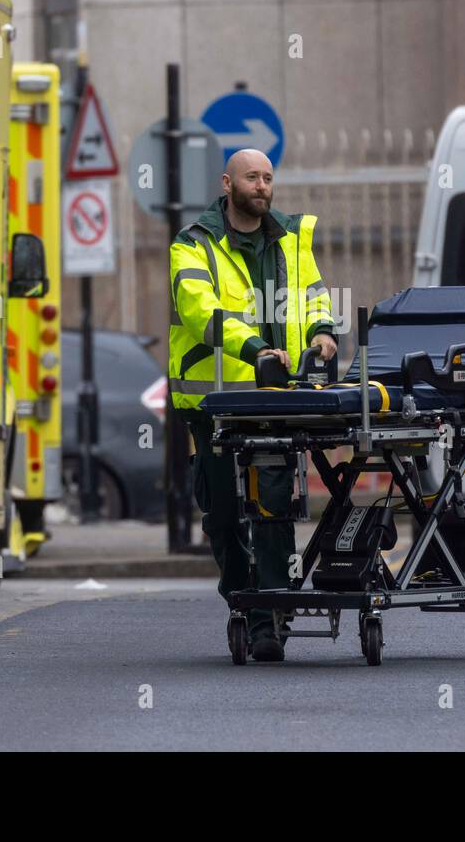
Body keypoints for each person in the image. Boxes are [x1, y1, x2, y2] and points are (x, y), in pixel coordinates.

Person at [168, 148, 338, 662]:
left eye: (268, 177)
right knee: (221, 513)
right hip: (216, 401)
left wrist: (323, 331)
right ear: (227, 183)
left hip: (277, 398)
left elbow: (311, 293)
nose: (262, 185)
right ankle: (241, 595)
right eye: (251, 177)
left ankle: (269, 617)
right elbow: (200, 309)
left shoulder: (290, 237)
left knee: (272, 509)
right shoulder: (193, 244)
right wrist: (253, 349)